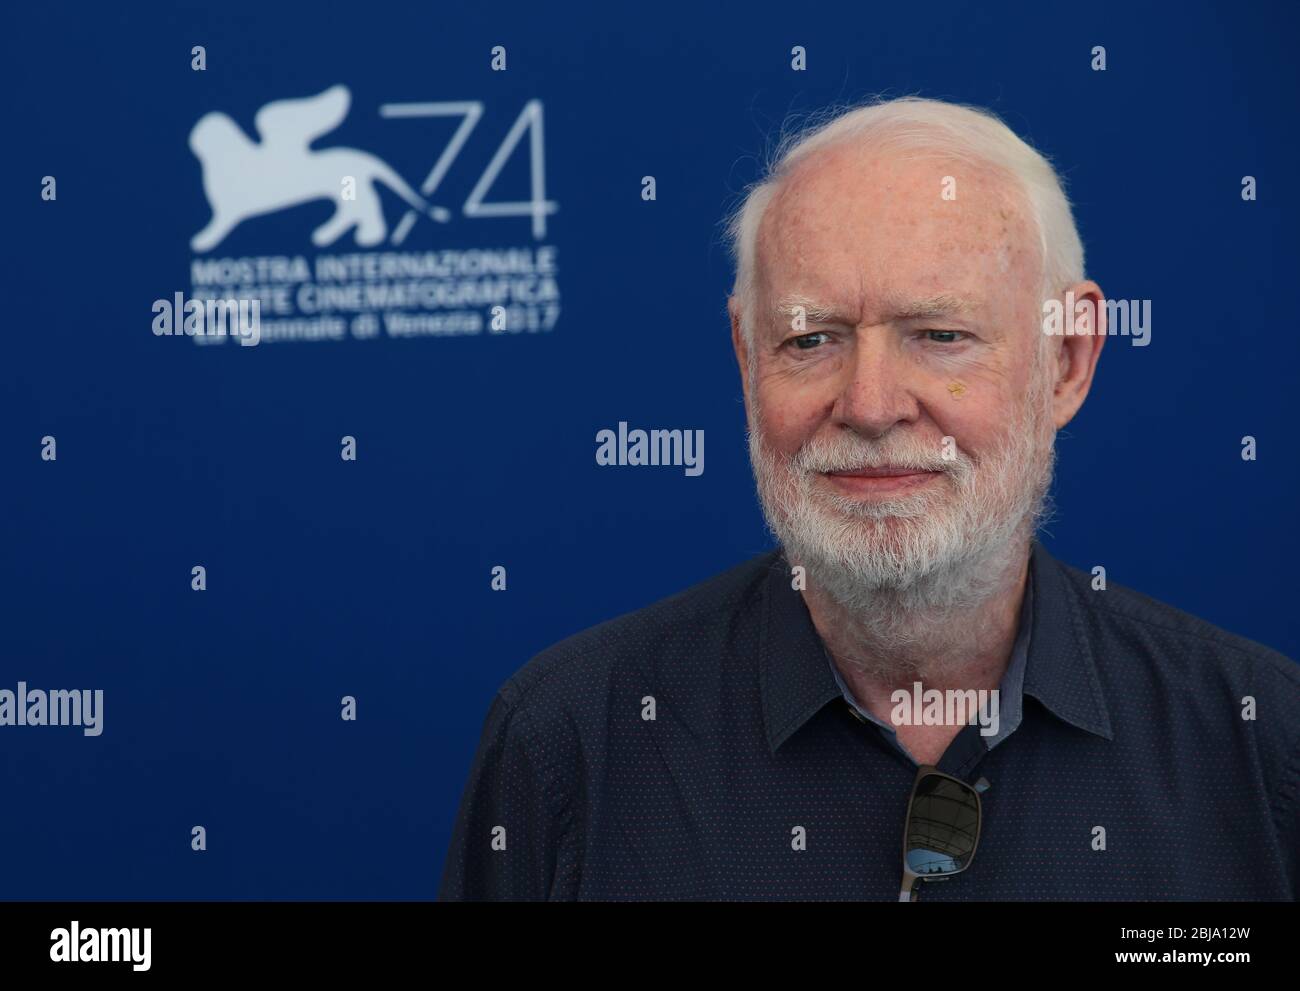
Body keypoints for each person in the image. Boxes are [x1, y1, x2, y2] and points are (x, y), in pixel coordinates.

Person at [439, 96, 1300, 900]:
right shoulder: (571, 747)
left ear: (1067, 360)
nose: (871, 404)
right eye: (811, 338)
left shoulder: (1263, 747)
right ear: (747, 357)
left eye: (941, 335)